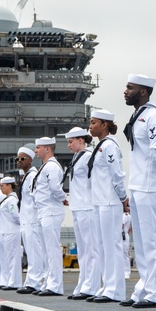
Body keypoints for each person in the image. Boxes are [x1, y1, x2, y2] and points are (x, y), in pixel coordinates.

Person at [121, 73, 156, 308]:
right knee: (140, 243)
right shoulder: (137, 115)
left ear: (143, 91)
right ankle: (144, 289)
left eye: (130, 87)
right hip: (137, 183)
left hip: (149, 184)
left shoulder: (153, 117)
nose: (125, 91)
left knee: (152, 240)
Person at [87, 109, 130, 303]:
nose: (91, 126)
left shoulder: (110, 146)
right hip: (99, 201)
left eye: (94, 122)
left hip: (110, 201)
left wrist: (122, 198)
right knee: (102, 245)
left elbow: (117, 174)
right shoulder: (100, 146)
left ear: (104, 124)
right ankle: (107, 286)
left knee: (112, 245)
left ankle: (115, 290)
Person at [64, 126, 100, 300]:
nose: (68, 145)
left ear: (81, 141)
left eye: (71, 142)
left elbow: (95, 182)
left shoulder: (88, 157)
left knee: (91, 249)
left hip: (87, 207)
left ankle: (91, 287)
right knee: (83, 251)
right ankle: (83, 284)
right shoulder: (76, 158)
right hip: (78, 207)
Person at [33, 136, 68, 296]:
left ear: (47, 149)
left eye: (38, 147)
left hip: (51, 211)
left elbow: (54, 187)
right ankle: (48, 282)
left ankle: (55, 286)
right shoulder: (46, 166)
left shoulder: (52, 167)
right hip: (44, 211)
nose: (36, 151)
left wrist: (63, 199)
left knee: (52, 249)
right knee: (47, 250)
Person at [16, 146, 45, 295]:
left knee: (35, 252)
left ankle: (35, 282)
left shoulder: (33, 175)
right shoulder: (25, 176)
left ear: (30, 160)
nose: (19, 161)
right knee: (30, 251)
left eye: (22, 158)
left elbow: (36, 198)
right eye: (17, 159)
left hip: (32, 218)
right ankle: (31, 281)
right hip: (25, 219)